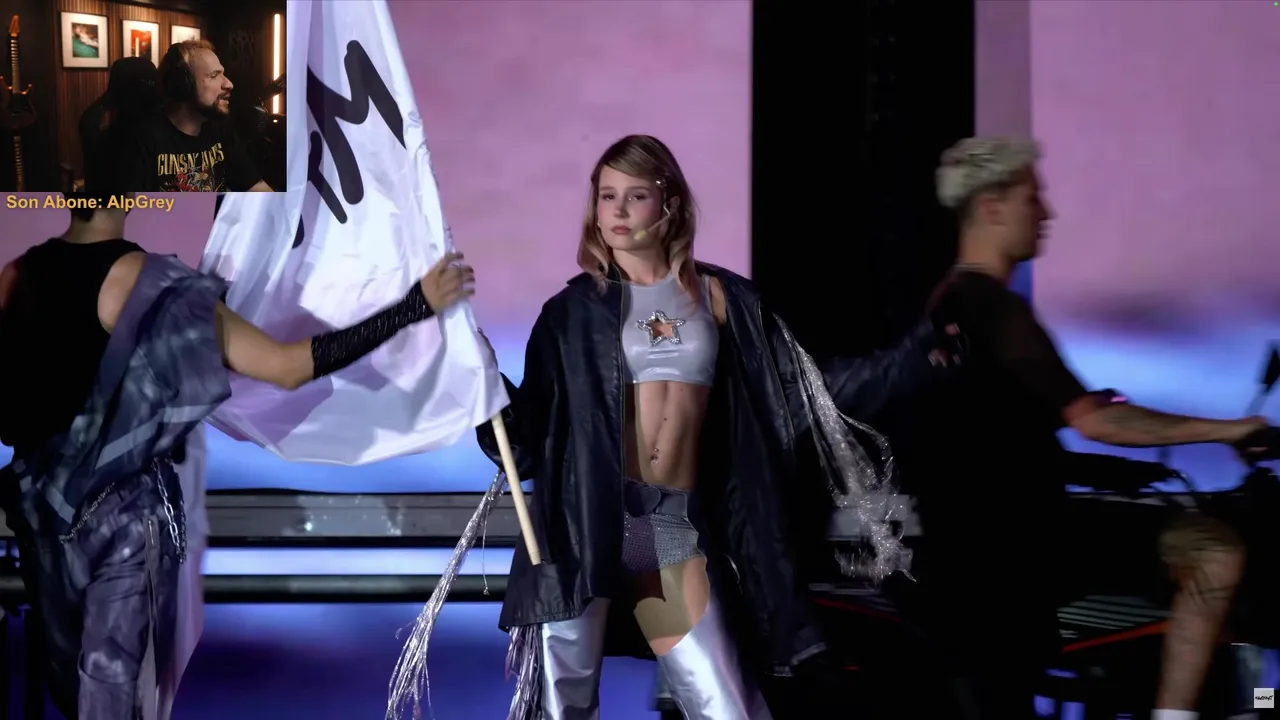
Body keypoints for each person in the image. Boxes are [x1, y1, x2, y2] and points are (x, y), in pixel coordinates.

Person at [388, 135, 964, 720]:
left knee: (727, 707)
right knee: (565, 708)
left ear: (670, 204)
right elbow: (528, 447)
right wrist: (483, 385)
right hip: (585, 528)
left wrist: (915, 360)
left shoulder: (722, 299)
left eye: (634, 195)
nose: (616, 209)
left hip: (662, 528)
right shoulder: (571, 314)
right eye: (606, 195)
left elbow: (808, 390)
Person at [0, 188, 474, 718]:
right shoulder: (151, 284)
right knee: (114, 700)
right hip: (126, 526)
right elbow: (287, 367)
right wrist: (413, 306)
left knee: (72, 696)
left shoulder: (15, 277)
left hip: (41, 524)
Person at [896, 136, 1272, 720]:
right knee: (1215, 549)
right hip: (1023, 540)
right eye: (1032, 198)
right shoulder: (996, 309)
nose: (1046, 213)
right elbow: (1098, 421)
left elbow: (996, 436)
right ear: (992, 207)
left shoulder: (948, 303)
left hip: (990, 536)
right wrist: (1232, 430)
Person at [119, 39, 271, 192]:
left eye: (222, 74)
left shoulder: (220, 129)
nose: (228, 84)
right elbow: (134, 206)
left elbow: (256, 188)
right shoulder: (142, 139)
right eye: (214, 75)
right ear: (183, 84)